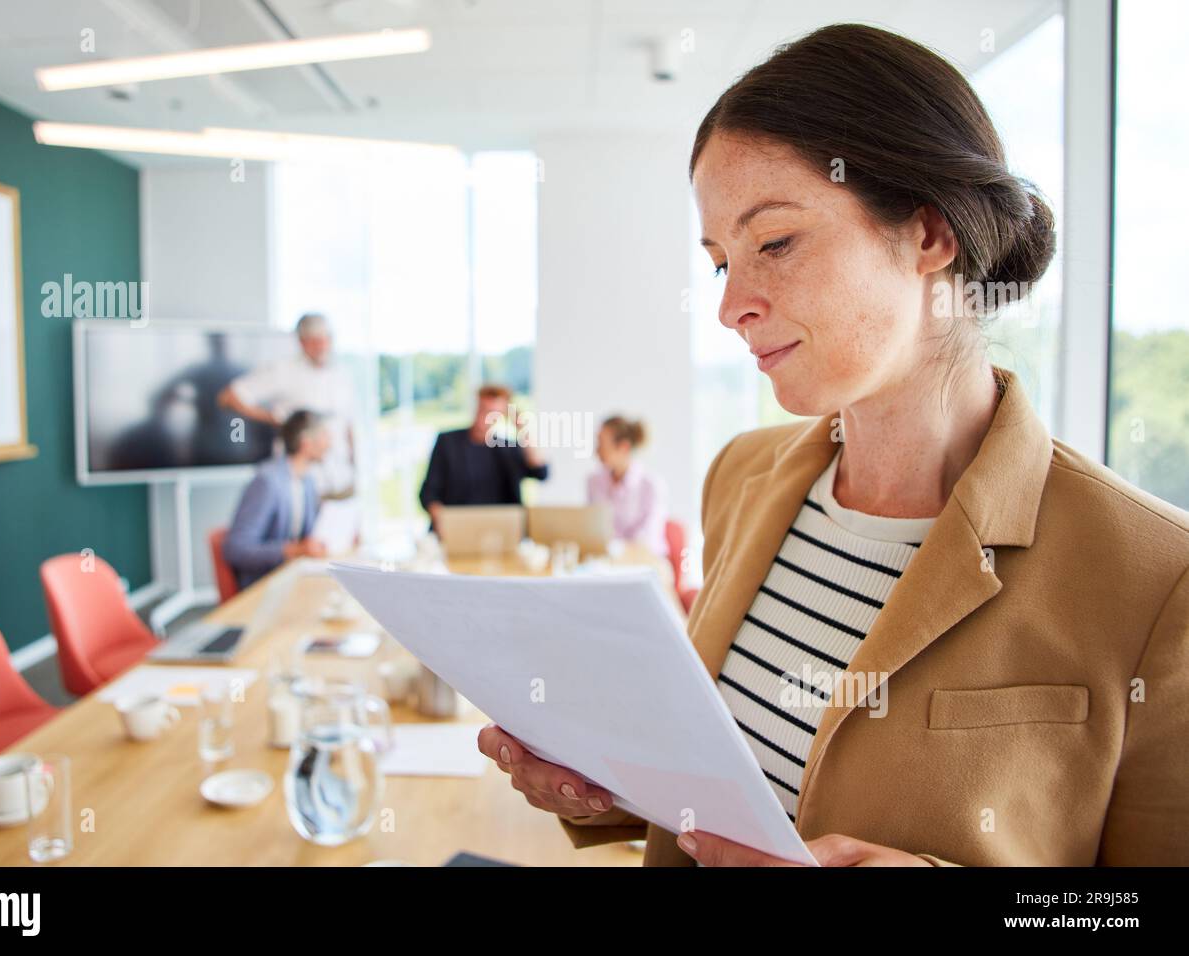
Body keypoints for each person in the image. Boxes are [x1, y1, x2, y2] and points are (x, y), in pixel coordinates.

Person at [478, 23, 1189, 866]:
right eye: (719, 262)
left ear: (930, 233)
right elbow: (730, 782)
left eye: (774, 242)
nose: (730, 303)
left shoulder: (1157, 576)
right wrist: (609, 783)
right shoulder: (741, 476)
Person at [218, 313, 356, 497]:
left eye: (326, 339)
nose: (322, 346)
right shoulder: (284, 371)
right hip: (300, 482)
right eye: (314, 341)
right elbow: (228, 397)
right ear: (302, 342)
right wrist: (277, 419)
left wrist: (356, 470)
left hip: (341, 480)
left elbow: (349, 425)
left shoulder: (342, 374)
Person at [419, 384, 549, 534]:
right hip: (455, 531)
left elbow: (541, 472)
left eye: (492, 413)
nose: (484, 417)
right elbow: (428, 493)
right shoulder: (447, 442)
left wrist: (522, 428)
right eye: (482, 409)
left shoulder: (508, 448)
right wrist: (439, 517)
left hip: (500, 532)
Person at [223, 411, 329, 589]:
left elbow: (306, 536)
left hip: (294, 578)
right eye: (324, 435)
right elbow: (236, 549)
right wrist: (292, 550)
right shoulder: (268, 482)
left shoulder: (307, 481)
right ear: (306, 442)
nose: (329, 442)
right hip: (265, 586)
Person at [587, 416, 668, 557]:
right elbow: (593, 530)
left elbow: (647, 539)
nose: (597, 451)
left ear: (624, 447)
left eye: (601, 444)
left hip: (645, 560)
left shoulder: (651, 486)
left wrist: (615, 547)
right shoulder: (593, 482)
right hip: (607, 562)